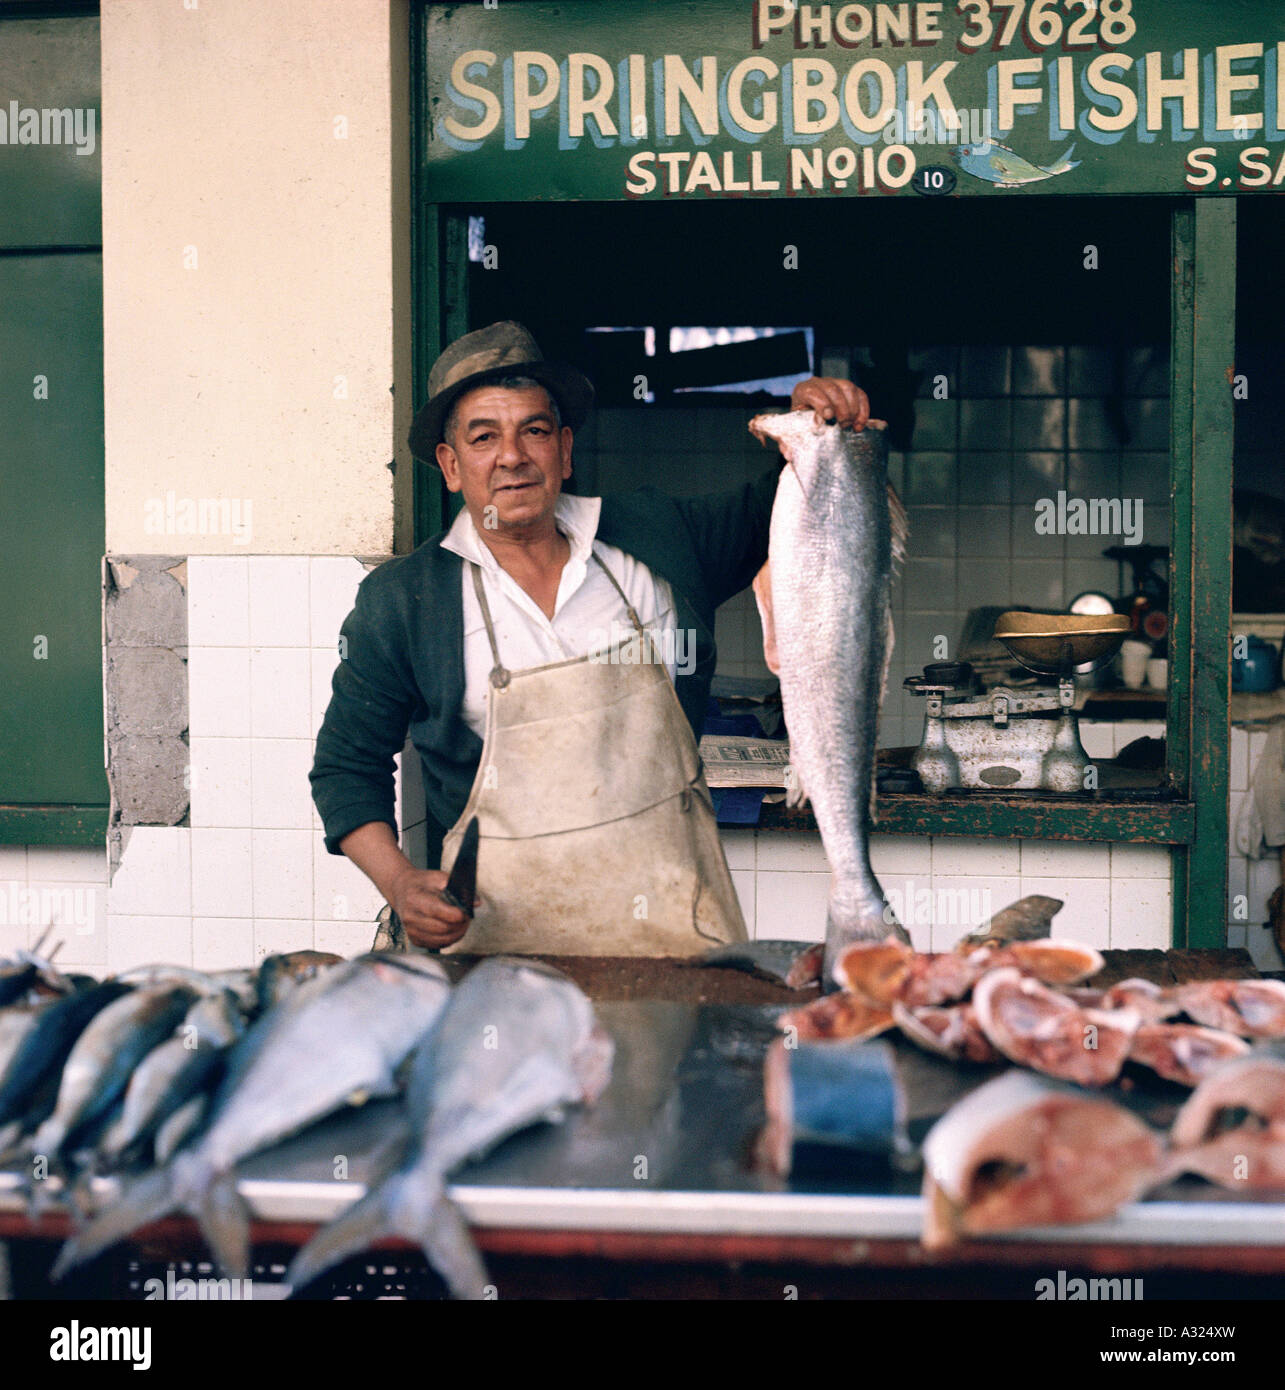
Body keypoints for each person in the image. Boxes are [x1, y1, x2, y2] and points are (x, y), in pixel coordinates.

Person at [310, 320, 870, 955]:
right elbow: (345, 767)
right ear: (451, 464)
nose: (513, 456)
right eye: (484, 436)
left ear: (565, 449)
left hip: (673, 934)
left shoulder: (659, 536)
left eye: (535, 431)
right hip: (495, 952)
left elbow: (794, 513)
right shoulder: (406, 601)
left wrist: (818, 431)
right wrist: (401, 883)